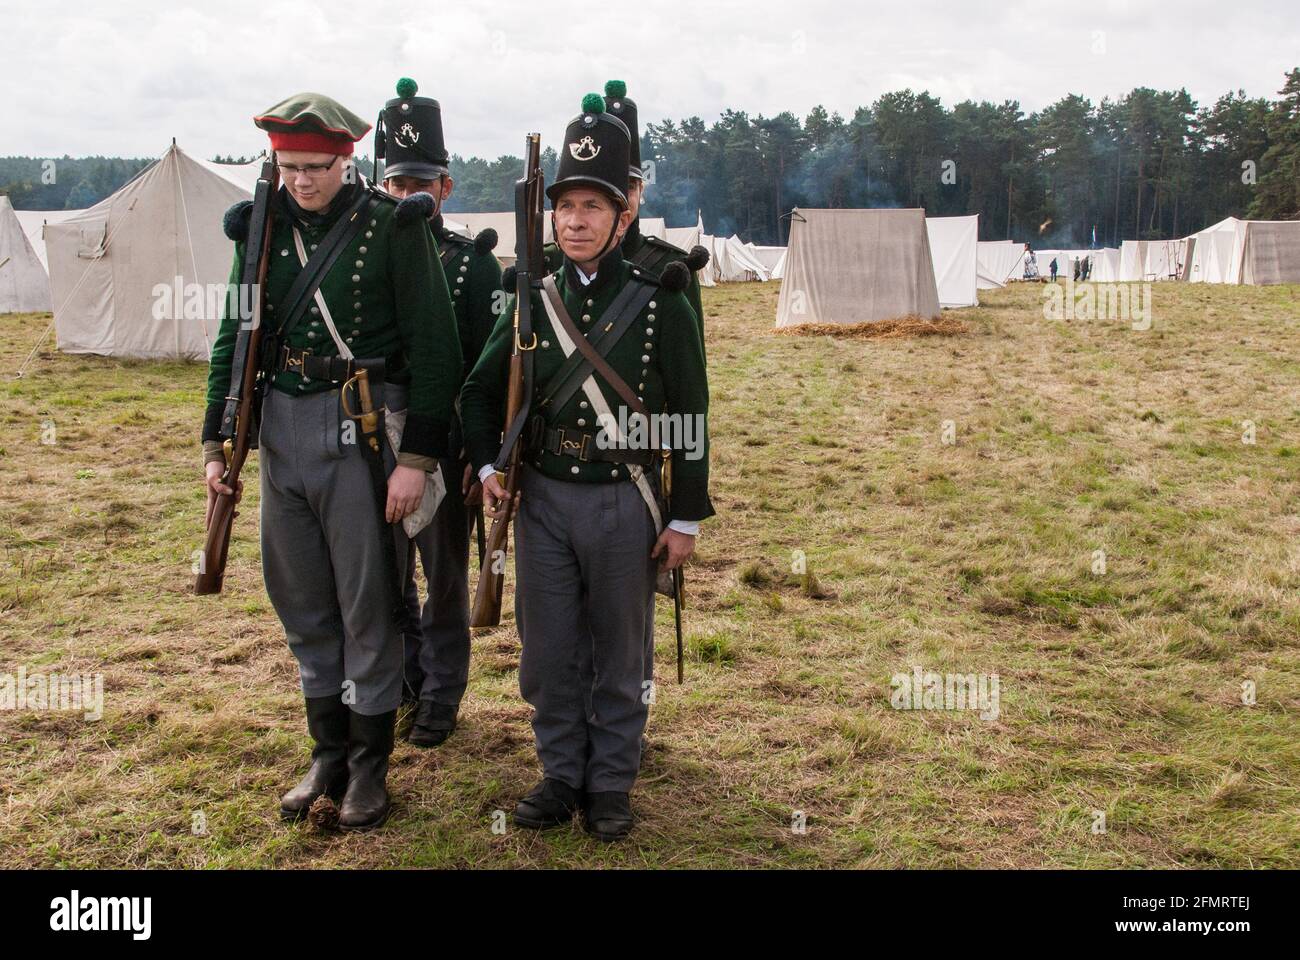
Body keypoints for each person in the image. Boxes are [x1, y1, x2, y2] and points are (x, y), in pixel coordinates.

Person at [202, 91, 462, 830]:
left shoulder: (392, 227)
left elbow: (436, 348)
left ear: (347, 158)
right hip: (281, 429)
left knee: (367, 604)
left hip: (363, 427)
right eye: (289, 167)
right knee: (302, 600)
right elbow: (235, 336)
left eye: (316, 166)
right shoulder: (258, 228)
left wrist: (417, 458)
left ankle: (371, 763)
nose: (303, 181)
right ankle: (327, 752)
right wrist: (217, 438)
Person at [460, 94, 713, 841]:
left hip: (621, 497)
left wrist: (684, 514)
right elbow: (479, 390)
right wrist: (485, 466)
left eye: (591, 207)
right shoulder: (532, 294)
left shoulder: (662, 296)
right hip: (541, 500)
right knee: (548, 650)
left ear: (621, 215)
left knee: (618, 648)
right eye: (564, 206)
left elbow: (689, 414)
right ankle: (559, 773)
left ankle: (610, 783)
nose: (575, 220)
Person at [375, 77, 504, 747]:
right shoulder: (367, 260)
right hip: (374, 441)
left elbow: (484, 371)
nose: (407, 196)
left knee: (444, 578)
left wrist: (471, 451)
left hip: (443, 447)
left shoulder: (470, 265)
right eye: (396, 184)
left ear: (445, 186)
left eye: (419, 183)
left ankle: (443, 694)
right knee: (384, 577)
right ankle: (401, 683)